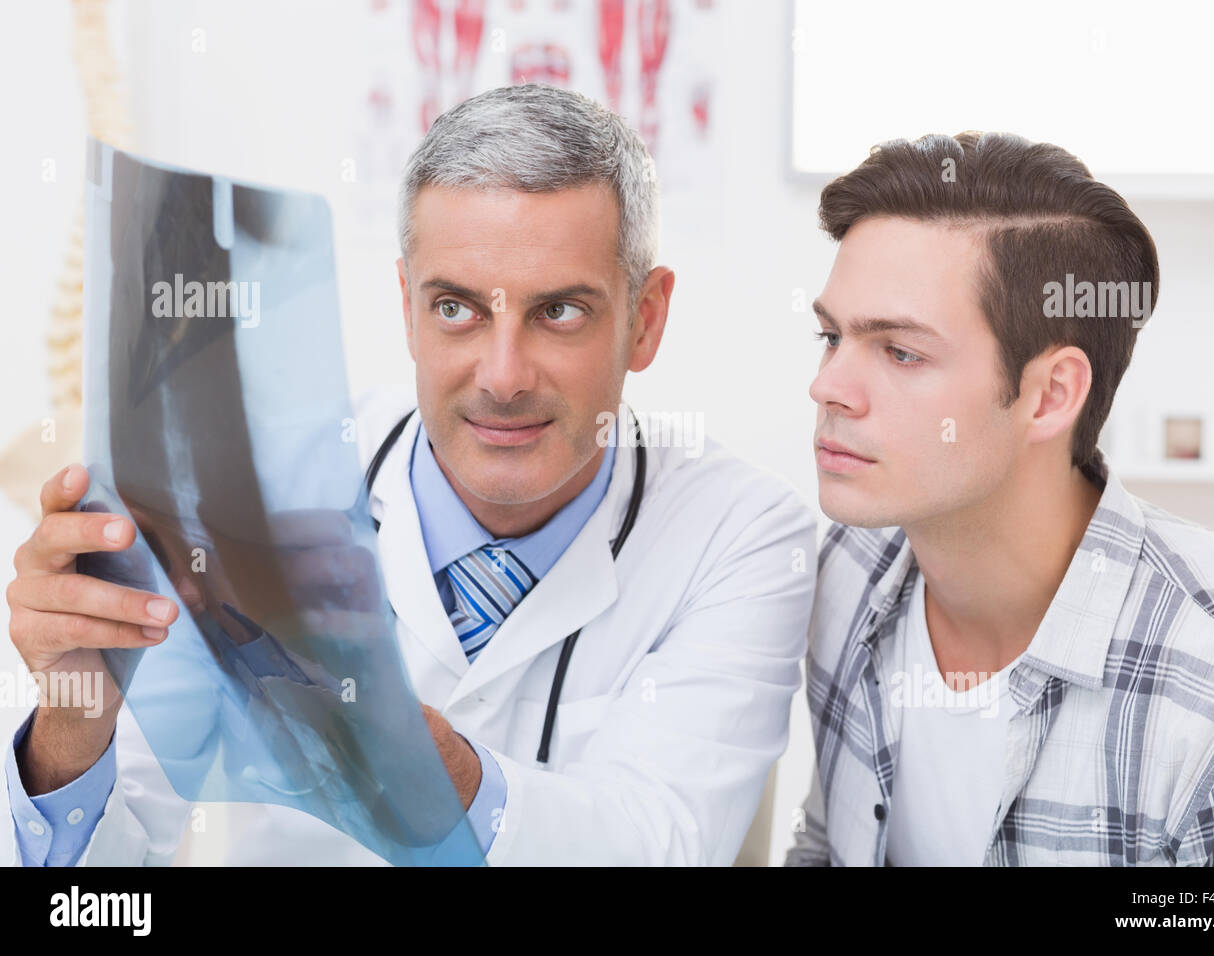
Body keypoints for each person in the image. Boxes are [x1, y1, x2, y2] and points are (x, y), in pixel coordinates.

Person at [4, 84, 816, 866]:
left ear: (645, 318)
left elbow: (662, 847)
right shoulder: (251, 492)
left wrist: (436, 766)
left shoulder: (744, 534)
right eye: (457, 307)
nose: (502, 376)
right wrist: (75, 724)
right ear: (406, 306)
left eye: (558, 311)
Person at [785, 131, 1214, 866]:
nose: (827, 386)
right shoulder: (847, 575)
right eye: (830, 335)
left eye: (900, 351)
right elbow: (828, 844)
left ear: (1051, 395)